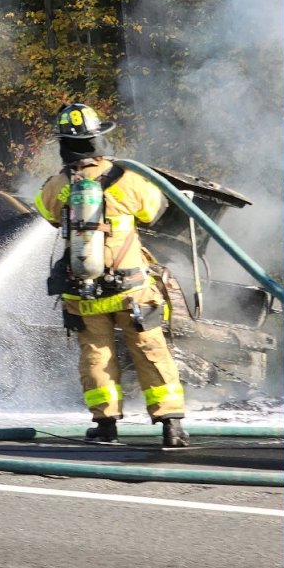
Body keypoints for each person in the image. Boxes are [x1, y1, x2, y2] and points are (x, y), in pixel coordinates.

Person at [34, 103, 189, 447]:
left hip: (84, 291)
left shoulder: (59, 184)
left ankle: (106, 427)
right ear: (99, 139)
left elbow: (47, 213)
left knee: (96, 355)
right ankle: (171, 426)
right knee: (150, 349)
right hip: (132, 288)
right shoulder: (126, 177)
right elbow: (154, 211)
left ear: (63, 145)